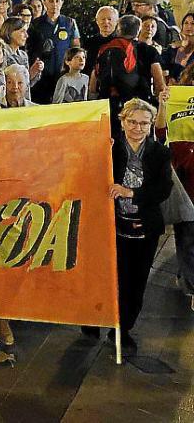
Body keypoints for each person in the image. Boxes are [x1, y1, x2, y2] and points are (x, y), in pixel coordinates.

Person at [101, 99, 173, 354]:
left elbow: (164, 189)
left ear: (151, 124)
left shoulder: (160, 153)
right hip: (113, 227)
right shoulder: (109, 150)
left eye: (144, 123)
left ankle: (123, 328)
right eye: (132, 122)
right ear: (122, 121)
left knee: (137, 280)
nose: (138, 128)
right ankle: (99, 319)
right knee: (111, 278)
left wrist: (130, 192)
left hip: (146, 229)